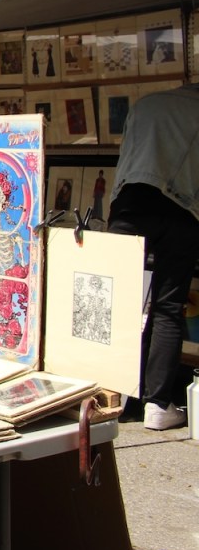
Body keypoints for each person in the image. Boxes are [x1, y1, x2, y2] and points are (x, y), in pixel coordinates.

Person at [108, 83, 199, 430]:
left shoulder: (148, 103)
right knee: (168, 306)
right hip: (183, 213)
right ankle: (158, 405)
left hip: (131, 203)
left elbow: (126, 156)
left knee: (119, 307)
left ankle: (113, 396)